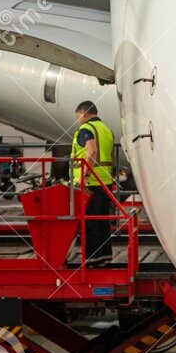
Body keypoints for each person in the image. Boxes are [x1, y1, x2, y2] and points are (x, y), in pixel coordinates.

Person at [70, 101, 117, 266]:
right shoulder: (106, 130)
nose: (78, 120)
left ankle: (92, 259)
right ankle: (104, 257)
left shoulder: (86, 129)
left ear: (84, 114)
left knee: (90, 222)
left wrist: (84, 175)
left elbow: (92, 150)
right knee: (102, 221)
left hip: (91, 182)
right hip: (105, 181)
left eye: (78, 116)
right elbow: (110, 156)